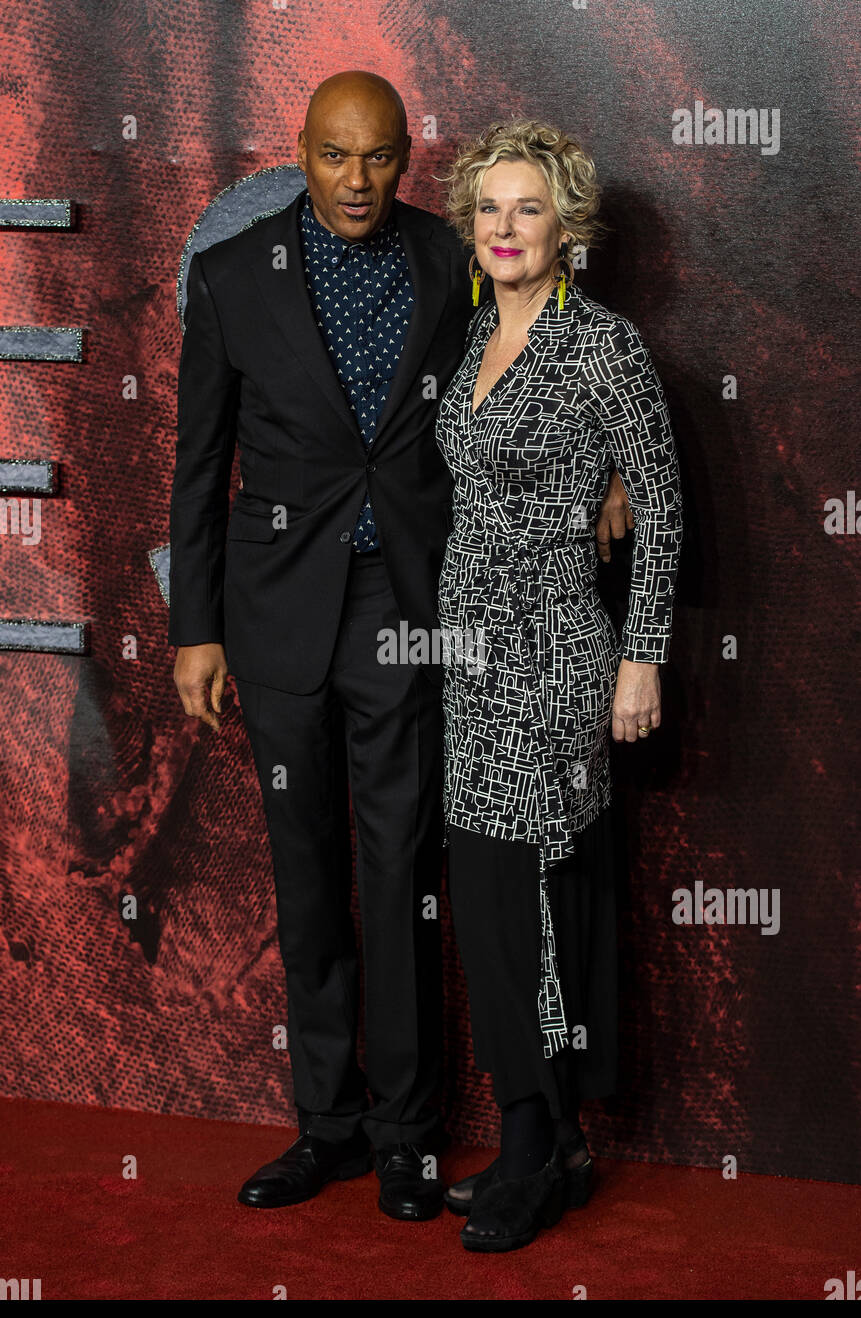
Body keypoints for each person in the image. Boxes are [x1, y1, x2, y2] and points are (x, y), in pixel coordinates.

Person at [169, 73, 632, 1224]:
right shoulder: (233, 277)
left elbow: (550, 324)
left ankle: (406, 1138)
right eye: (335, 157)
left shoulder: (452, 255)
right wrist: (196, 627)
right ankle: (324, 1124)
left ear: (408, 157)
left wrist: (613, 460)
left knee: (401, 874)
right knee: (307, 874)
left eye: (379, 157)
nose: (358, 180)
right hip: (276, 615)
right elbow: (196, 463)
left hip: (414, 607)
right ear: (303, 154)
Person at [435, 120, 684, 1252]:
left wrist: (641, 656)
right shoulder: (473, 332)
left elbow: (662, 505)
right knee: (489, 893)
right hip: (466, 657)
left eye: (527, 208)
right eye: (490, 208)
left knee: (540, 887)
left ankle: (540, 1143)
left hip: (554, 653)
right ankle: (547, 1138)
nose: (504, 227)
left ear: (567, 226)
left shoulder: (604, 347)